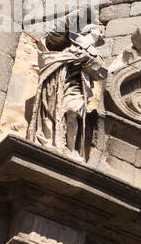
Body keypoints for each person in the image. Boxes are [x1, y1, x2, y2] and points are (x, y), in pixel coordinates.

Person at [28, 23, 107, 160]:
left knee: (72, 112)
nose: (100, 36)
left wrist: (87, 60)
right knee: (53, 111)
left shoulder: (94, 52)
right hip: (57, 82)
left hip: (76, 86)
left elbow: (102, 73)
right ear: (88, 32)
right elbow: (49, 51)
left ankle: (70, 150)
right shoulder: (69, 41)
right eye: (98, 32)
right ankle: (54, 141)